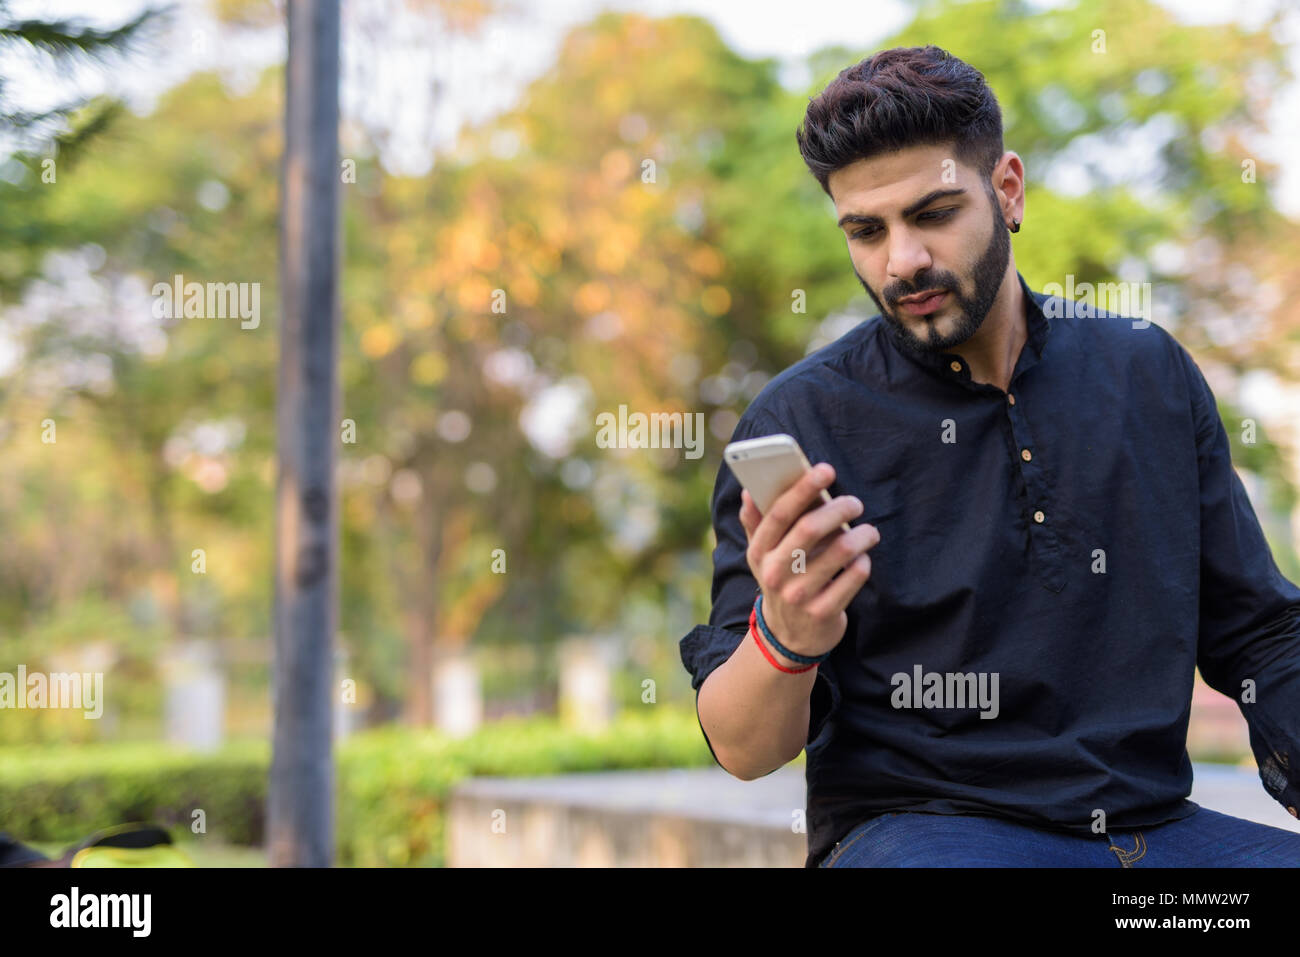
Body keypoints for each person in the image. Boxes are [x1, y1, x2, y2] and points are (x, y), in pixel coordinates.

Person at [678, 44, 1300, 868]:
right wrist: (788, 636)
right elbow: (743, 747)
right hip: (924, 832)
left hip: (1156, 834)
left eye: (932, 213)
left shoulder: (1146, 371)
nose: (901, 261)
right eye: (866, 231)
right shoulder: (803, 419)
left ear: (1006, 189)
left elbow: (1258, 633)